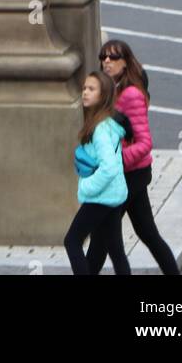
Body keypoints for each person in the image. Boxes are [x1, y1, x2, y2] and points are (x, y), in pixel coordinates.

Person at [86, 41, 180, 276]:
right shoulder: (112, 90)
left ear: (125, 62)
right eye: (103, 57)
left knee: (100, 239)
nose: (107, 61)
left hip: (128, 176)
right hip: (129, 175)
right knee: (146, 233)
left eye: (114, 57)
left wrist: (115, 159)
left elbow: (145, 143)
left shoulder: (131, 95)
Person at [64, 70, 130, 276]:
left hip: (101, 196)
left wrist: (87, 187)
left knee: (72, 241)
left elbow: (109, 167)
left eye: (91, 89)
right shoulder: (107, 124)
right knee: (115, 251)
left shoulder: (101, 129)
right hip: (113, 196)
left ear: (103, 96)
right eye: (84, 88)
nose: (85, 92)